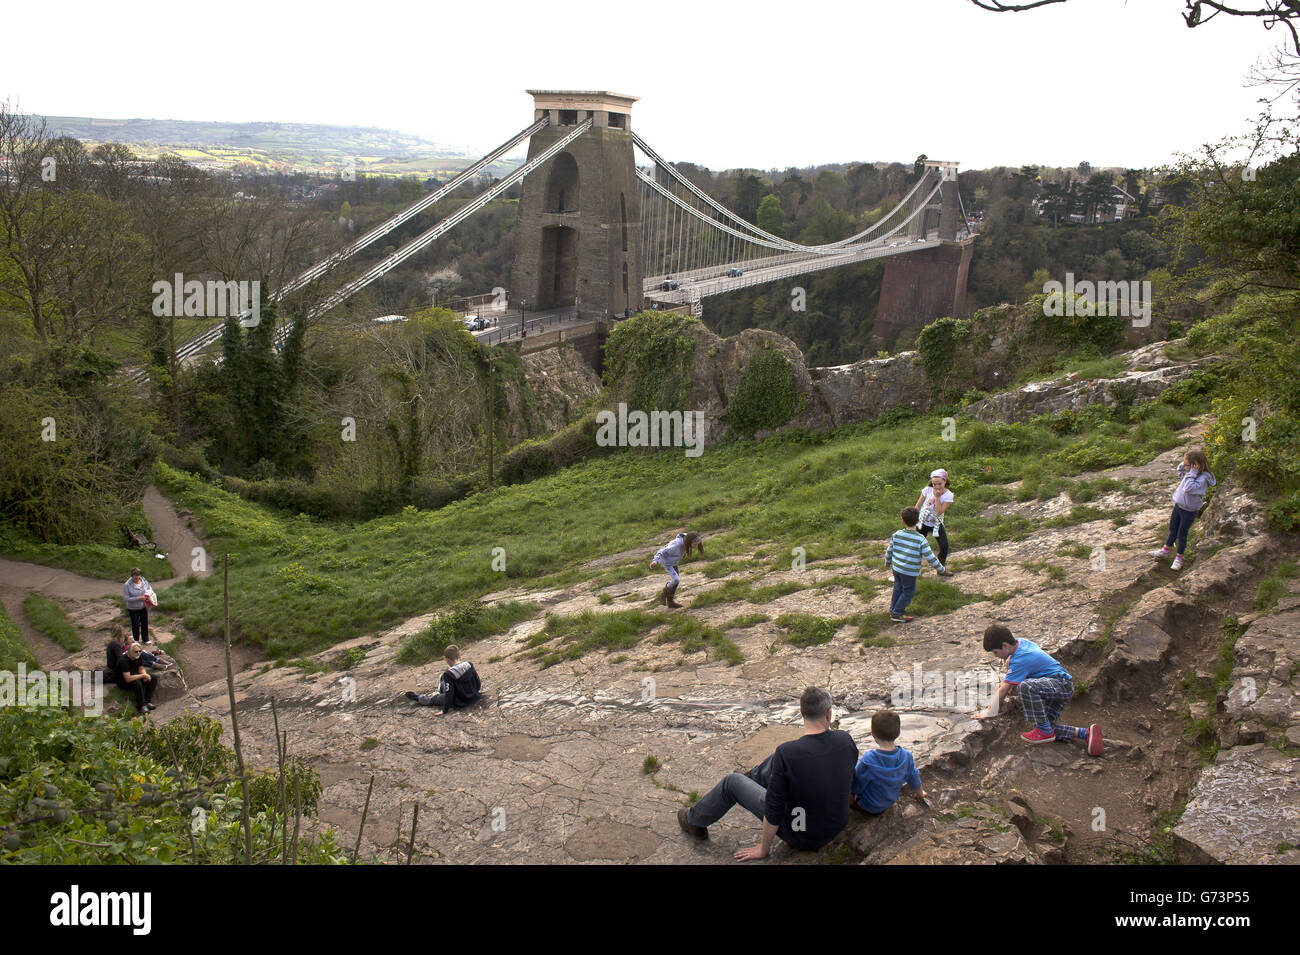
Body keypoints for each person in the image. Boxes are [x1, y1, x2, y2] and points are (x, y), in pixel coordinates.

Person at [677, 687, 858, 860]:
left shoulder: (788, 753)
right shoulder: (845, 740)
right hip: (836, 824)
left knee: (732, 782)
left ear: (802, 713)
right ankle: (753, 777)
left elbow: (774, 808)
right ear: (828, 714)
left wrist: (763, 849)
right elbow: (848, 779)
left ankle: (695, 820)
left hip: (801, 832)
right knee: (782, 760)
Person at [972, 624, 1102, 755]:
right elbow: (1013, 662)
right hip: (1057, 686)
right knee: (1045, 725)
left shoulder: (1021, 659)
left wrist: (989, 711)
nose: (996, 656)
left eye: (995, 652)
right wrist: (1012, 679)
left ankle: (1044, 732)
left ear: (1005, 645)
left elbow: (1003, 690)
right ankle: (1085, 733)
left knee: (1025, 687)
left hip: (1060, 685)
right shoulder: (1021, 643)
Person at [851, 709, 928, 814]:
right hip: (889, 802)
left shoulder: (868, 760)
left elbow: (857, 786)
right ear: (899, 732)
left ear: (872, 733)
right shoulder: (906, 756)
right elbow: (914, 777)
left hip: (868, 806)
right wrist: (920, 793)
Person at [1152, 450, 1215, 571]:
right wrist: (1187, 466)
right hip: (1179, 506)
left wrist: (1191, 472)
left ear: (1195, 465)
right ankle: (1165, 550)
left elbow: (1188, 488)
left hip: (1189, 510)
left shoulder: (1202, 478)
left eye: (1187, 464)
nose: (1184, 467)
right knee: (1173, 529)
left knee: (1182, 533)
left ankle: (1179, 558)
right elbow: (1180, 471)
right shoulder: (1190, 473)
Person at [885, 506, 947, 623]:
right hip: (909, 571)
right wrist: (941, 569)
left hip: (896, 568)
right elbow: (931, 558)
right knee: (908, 592)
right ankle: (897, 613)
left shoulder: (897, 534)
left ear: (902, 520)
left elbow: (889, 550)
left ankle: (893, 609)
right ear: (919, 520)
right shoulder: (920, 539)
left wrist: (887, 562)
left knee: (897, 588)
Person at [405, 645, 481, 713]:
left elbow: (449, 693)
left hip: (458, 699)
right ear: (459, 655)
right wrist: (474, 692)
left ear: (447, 660)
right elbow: (478, 683)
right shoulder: (469, 665)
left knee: (433, 699)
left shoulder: (448, 674)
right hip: (473, 695)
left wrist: (445, 710)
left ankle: (418, 697)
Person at [649, 531, 704, 609]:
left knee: (676, 582)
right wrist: (655, 561)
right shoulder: (675, 545)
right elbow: (661, 551)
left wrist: (683, 553)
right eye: (695, 544)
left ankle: (670, 602)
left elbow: (684, 538)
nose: (696, 546)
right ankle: (664, 593)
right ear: (688, 542)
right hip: (667, 562)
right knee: (676, 579)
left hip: (674, 562)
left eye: (698, 544)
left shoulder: (686, 538)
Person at [915, 468, 954, 565]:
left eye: (939, 484)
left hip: (936, 523)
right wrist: (913, 520)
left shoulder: (948, 495)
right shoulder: (927, 490)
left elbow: (938, 512)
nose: (937, 486)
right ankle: (912, 568)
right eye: (934, 484)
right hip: (922, 522)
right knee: (915, 546)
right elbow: (917, 506)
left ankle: (941, 568)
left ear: (945, 481)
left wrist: (937, 498)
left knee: (944, 547)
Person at [114, 641, 157, 714]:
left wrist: (145, 674)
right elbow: (127, 678)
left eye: (140, 651)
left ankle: (147, 701)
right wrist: (142, 675)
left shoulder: (138, 656)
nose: (138, 653)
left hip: (134, 675)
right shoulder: (123, 660)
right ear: (130, 652)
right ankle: (141, 706)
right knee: (137, 683)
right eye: (136, 651)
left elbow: (141, 668)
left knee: (153, 678)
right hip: (123, 681)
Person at [123, 568, 155, 643]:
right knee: (135, 624)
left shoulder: (144, 581)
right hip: (133, 608)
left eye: (138, 575)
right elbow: (126, 598)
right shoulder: (127, 585)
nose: (137, 577)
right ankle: (136, 639)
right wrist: (138, 598)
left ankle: (146, 639)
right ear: (132, 576)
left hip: (143, 606)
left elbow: (150, 589)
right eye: (135, 575)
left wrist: (149, 595)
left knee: (145, 623)